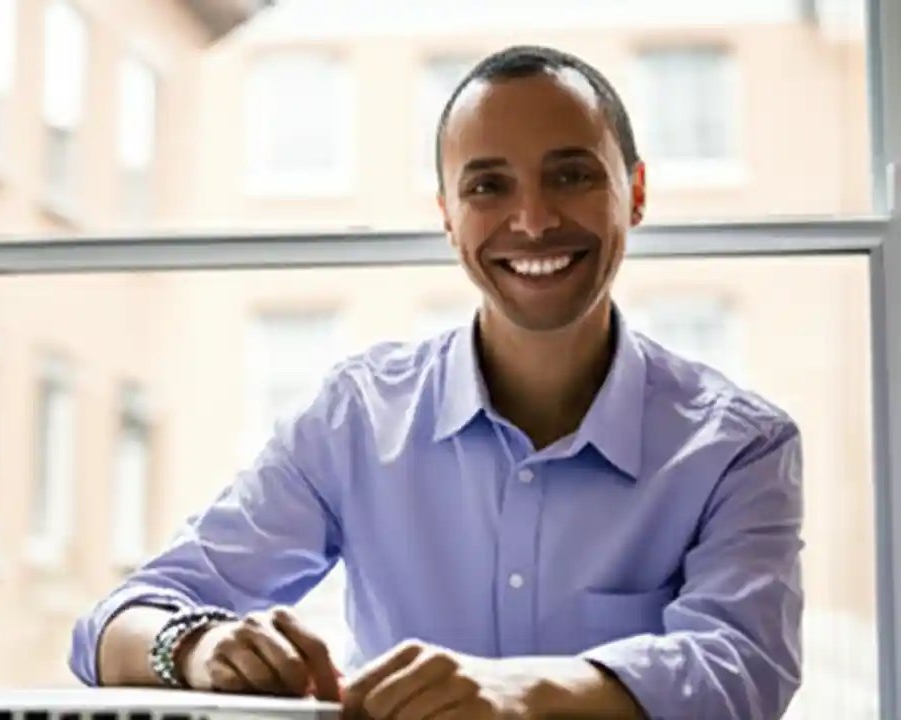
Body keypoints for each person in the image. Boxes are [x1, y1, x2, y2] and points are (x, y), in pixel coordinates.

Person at [68, 44, 802, 720]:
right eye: (488, 185)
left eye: (571, 175)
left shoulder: (739, 445)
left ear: (634, 192)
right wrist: (194, 648)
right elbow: (114, 624)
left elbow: (744, 665)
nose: (534, 219)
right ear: (447, 215)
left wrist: (519, 690)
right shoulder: (355, 418)